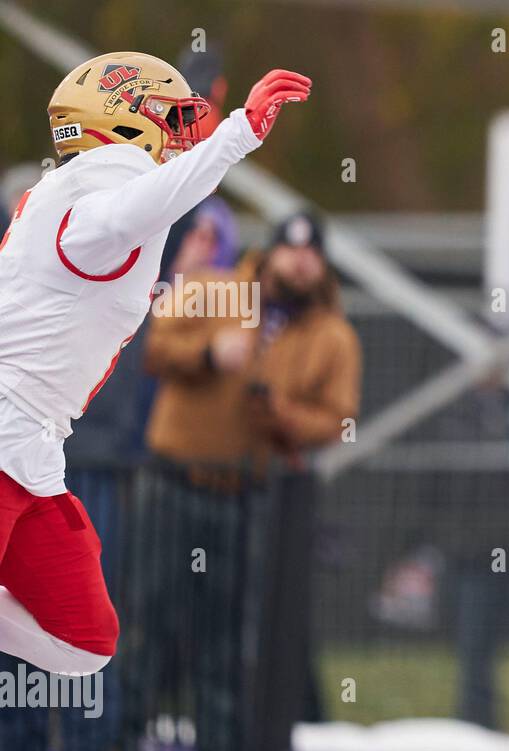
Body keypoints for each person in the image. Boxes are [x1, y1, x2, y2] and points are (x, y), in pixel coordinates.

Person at [0, 52, 310, 678]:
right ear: (122, 122)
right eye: (171, 116)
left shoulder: (90, 192)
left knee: (83, 643)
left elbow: (152, 206)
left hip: (32, 445)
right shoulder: (96, 197)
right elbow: (133, 209)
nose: (181, 131)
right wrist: (236, 136)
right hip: (7, 426)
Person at [142, 211, 360, 751]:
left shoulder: (330, 334)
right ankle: (113, 743)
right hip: (174, 481)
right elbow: (155, 347)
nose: (299, 260)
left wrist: (281, 415)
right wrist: (211, 356)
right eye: (289, 250)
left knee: (230, 628)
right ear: (268, 254)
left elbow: (339, 419)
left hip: (244, 491)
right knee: (145, 616)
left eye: (311, 252)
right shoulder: (213, 291)